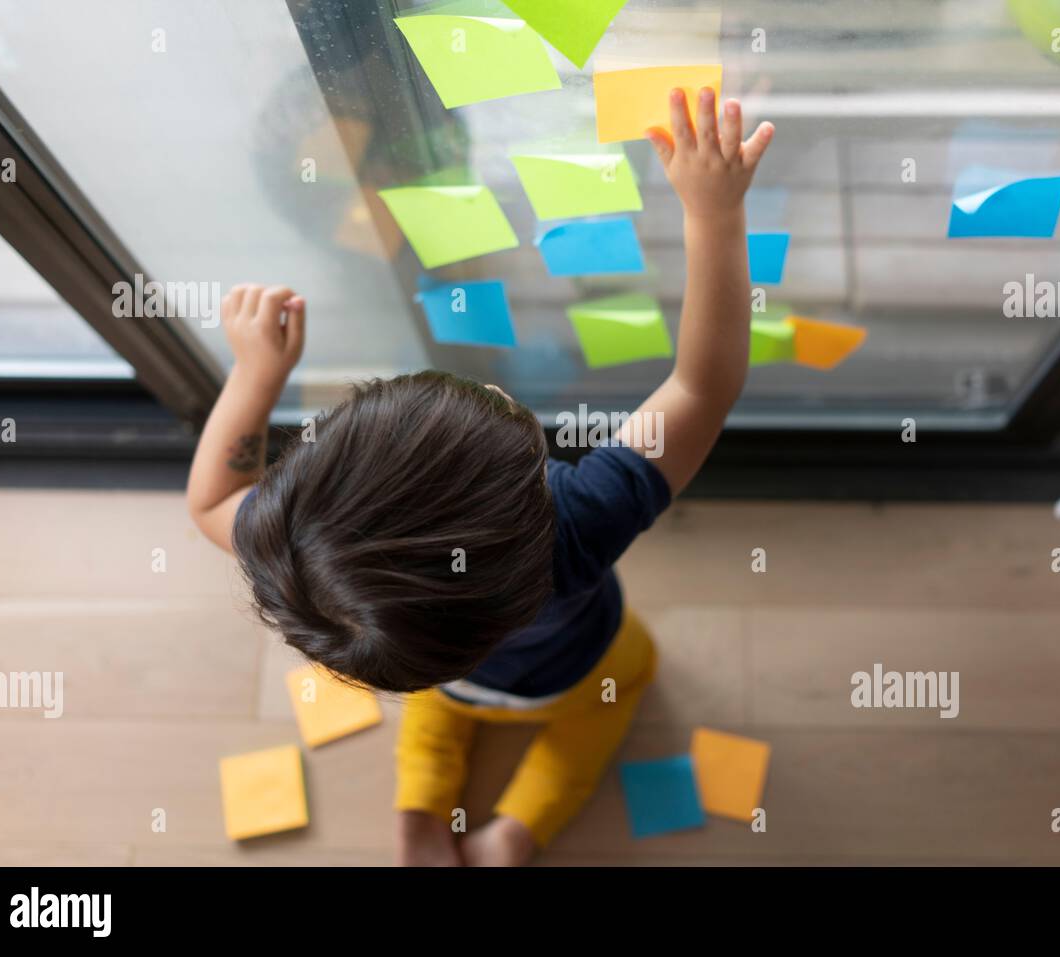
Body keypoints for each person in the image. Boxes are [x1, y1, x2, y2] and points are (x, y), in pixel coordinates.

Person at [186, 88, 775, 865]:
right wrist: (714, 212)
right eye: (508, 425)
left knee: (433, 723)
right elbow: (704, 385)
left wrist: (254, 371)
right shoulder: (580, 523)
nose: (498, 393)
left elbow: (213, 501)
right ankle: (514, 833)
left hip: (449, 681)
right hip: (575, 673)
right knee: (616, 695)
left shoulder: (310, 561)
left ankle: (419, 818)